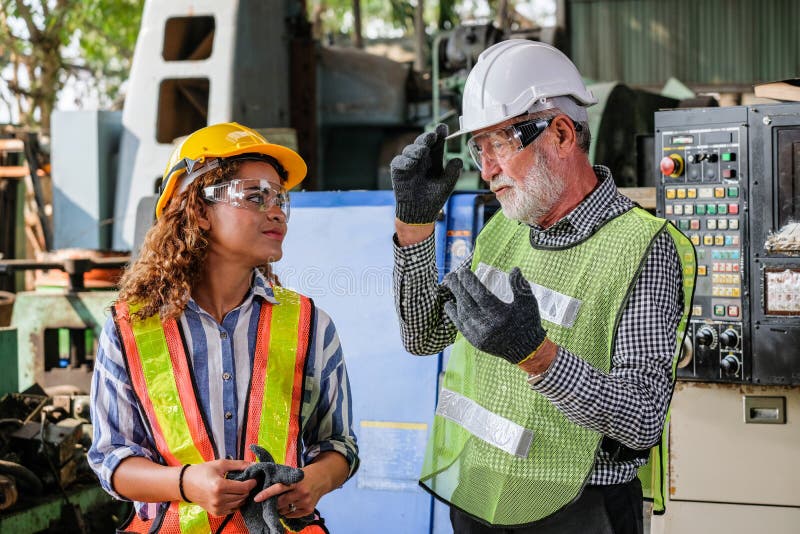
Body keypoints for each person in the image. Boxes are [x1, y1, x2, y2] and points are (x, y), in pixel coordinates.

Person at [390, 40, 695, 534]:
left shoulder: (641, 246)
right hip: (480, 497)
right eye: (478, 148)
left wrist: (537, 355)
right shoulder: (504, 229)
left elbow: (641, 417)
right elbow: (423, 336)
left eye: (501, 144)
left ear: (559, 133)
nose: (486, 169)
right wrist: (414, 228)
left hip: (578, 508)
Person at [89, 122, 358, 533]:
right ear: (198, 210)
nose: (276, 211)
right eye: (255, 195)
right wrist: (184, 483)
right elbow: (113, 459)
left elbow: (338, 444)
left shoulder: (309, 324)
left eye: (281, 199)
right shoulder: (129, 328)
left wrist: (314, 482)